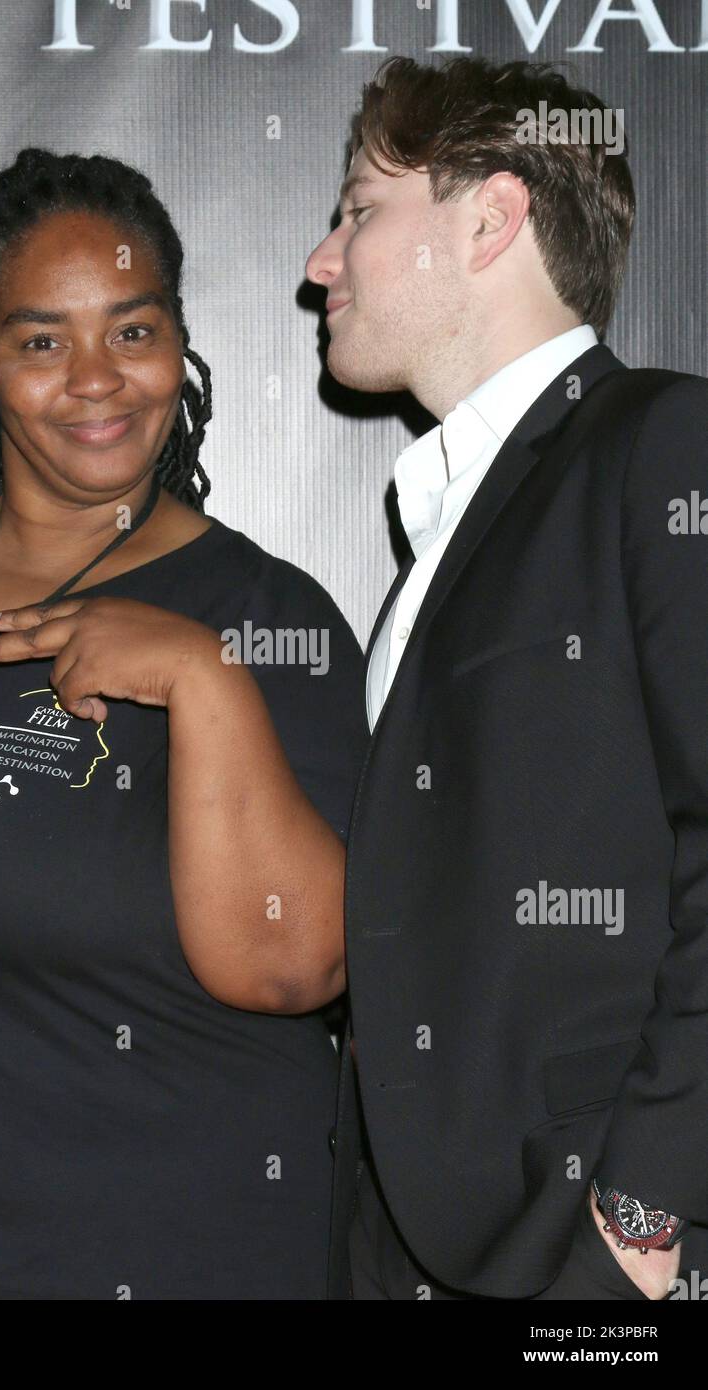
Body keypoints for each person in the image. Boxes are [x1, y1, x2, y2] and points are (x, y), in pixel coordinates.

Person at [0, 148, 367, 1299]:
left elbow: (299, 963)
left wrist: (201, 678)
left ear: (181, 346)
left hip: (168, 1251)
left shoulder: (271, 621)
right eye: (41, 341)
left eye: (133, 331)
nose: (96, 379)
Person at [305, 56, 708, 1300]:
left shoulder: (662, 446)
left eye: (359, 209)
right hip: (417, 1251)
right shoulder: (438, 539)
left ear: (489, 216)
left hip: (591, 1256)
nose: (320, 262)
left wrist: (641, 1213)